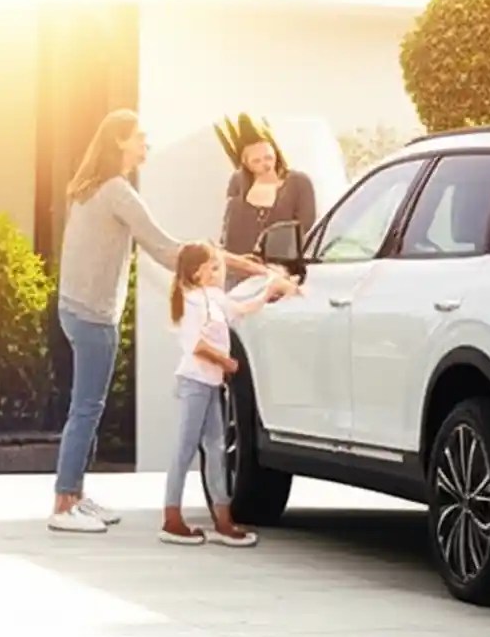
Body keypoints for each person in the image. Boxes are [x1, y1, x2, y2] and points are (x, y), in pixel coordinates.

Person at [49, 109, 271, 534]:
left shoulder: (89, 188)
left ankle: (75, 494)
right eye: (140, 136)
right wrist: (245, 264)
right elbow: (169, 250)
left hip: (77, 307)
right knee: (86, 407)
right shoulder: (116, 190)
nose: (146, 142)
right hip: (93, 313)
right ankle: (63, 504)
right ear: (119, 142)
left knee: (88, 406)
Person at [161, 242, 296, 547]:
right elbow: (196, 344)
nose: (219, 272)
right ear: (198, 272)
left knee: (217, 447)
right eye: (214, 267)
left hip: (210, 385)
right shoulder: (192, 301)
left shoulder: (214, 298)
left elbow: (242, 310)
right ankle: (171, 518)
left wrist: (270, 290)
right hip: (194, 383)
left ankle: (223, 520)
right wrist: (227, 362)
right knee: (185, 449)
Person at [217, 113, 316, 290]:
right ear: (246, 163)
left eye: (268, 157)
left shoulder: (298, 183)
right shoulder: (238, 183)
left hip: (280, 273)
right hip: (239, 273)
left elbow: (305, 226)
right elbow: (228, 229)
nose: (265, 164)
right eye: (257, 160)